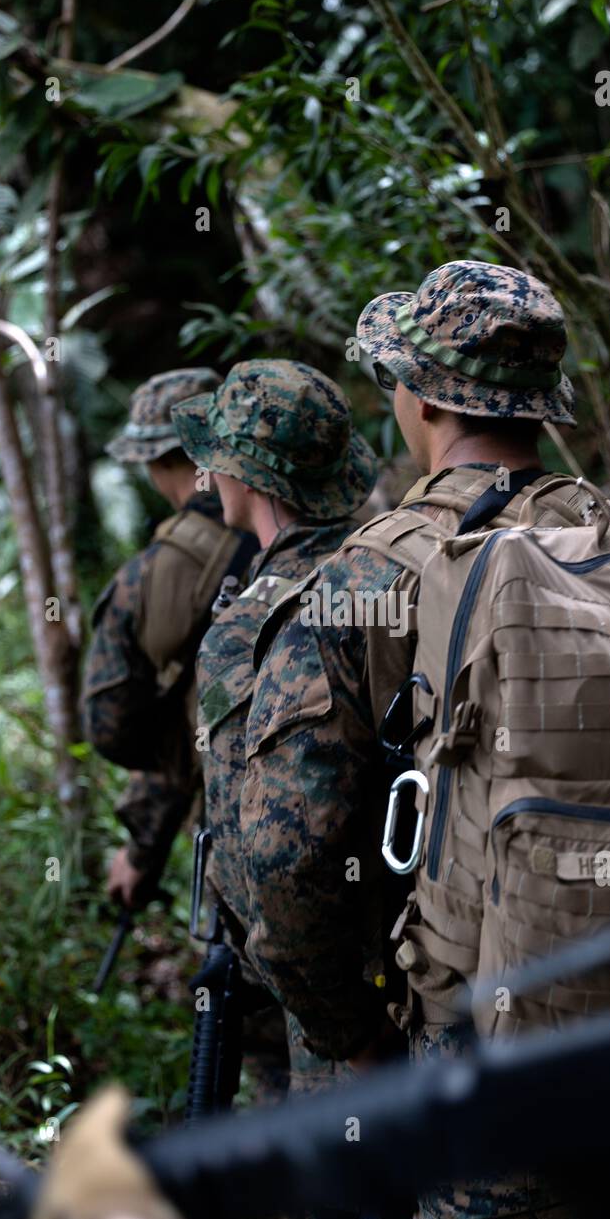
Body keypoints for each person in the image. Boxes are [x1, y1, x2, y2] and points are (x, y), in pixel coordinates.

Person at [241, 260, 610, 1219]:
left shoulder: (366, 579)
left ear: (416, 398)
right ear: (541, 408)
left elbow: (284, 853)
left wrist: (347, 1034)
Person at [171, 359, 380, 1098]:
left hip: (345, 996)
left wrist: (340, 1029)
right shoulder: (400, 571)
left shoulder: (249, 629)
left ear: (247, 480)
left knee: (355, 1203)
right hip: (456, 959)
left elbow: (266, 862)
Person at [82, 369, 256, 912]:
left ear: (158, 463)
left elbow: (115, 727)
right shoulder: (304, 526)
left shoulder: (147, 579)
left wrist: (141, 845)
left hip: (231, 826)